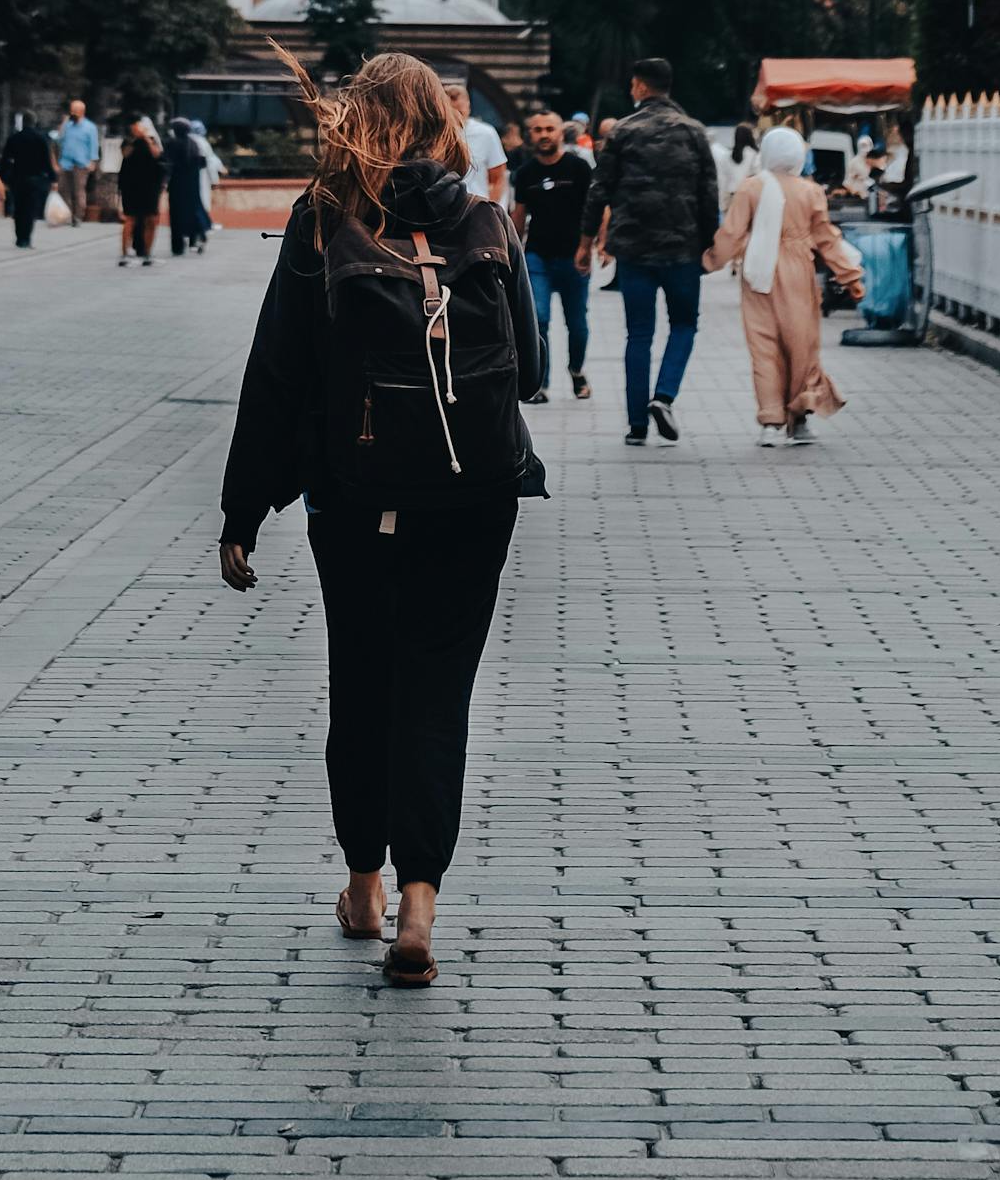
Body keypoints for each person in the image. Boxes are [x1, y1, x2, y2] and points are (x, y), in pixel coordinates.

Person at [217, 49, 542, 992]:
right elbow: (524, 365)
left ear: (353, 118)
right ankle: (421, 907)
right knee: (438, 694)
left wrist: (244, 509)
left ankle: (362, 885)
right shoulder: (483, 216)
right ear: (438, 124)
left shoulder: (321, 220)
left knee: (362, 682)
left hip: (353, 497)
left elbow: (276, 374)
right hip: (474, 497)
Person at [581, 53, 722, 447]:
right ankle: (664, 396)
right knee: (684, 324)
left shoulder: (623, 131)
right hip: (682, 249)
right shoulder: (694, 132)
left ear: (641, 86)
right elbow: (708, 194)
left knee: (638, 334)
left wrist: (586, 241)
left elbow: (599, 190)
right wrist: (709, 244)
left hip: (634, 250)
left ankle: (636, 425)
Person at [706, 126, 859, 445]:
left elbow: (732, 234)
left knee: (764, 347)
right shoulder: (811, 191)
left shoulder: (751, 188)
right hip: (798, 270)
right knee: (801, 343)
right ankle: (800, 416)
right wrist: (851, 278)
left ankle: (770, 420)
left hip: (759, 272)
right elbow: (827, 240)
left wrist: (708, 262)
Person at [505, 104, 593, 402]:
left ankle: (577, 370)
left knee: (577, 323)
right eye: (538, 130)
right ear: (530, 135)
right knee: (538, 318)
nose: (544, 134)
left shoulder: (579, 168)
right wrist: (509, 251)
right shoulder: (525, 173)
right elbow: (519, 216)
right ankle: (541, 383)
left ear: (560, 132)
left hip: (573, 256)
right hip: (537, 256)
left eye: (549, 129)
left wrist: (592, 245)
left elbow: (593, 210)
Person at [0, 110, 54, 248]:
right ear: (34, 122)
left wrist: (3, 177)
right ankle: (26, 238)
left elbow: (5, 159)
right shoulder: (41, 139)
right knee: (30, 209)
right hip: (35, 178)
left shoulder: (14, 138)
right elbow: (46, 160)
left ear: (23, 122)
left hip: (17, 178)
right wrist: (52, 177)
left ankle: (19, 237)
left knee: (18, 208)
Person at [116, 116, 164, 268]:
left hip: (150, 185)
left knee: (151, 219)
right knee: (130, 218)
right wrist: (135, 139)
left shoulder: (152, 141)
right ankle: (125, 253)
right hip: (131, 185)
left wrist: (147, 139)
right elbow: (125, 154)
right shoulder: (128, 142)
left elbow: (156, 154)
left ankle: (148, 253)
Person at [164, 113, 214, 258]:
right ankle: (195, 238)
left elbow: (165, 163)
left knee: (176, 216)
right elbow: (203, 162)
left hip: (176, 186)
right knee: (192, 212)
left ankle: (178, 246)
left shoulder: (172, 144)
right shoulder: (194, 144)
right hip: (192, 186)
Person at [54, 96, 101, 226]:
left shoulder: (90, 127)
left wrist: (93, 161)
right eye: (71, 110)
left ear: (82, 111)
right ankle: (66, 215)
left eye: (75, 110)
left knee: (78, 191)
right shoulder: (67, 126)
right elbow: (58, 140)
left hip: (81, 163)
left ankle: (78, 216)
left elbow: (94, 145)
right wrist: (64, 123)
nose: (72, 113)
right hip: (65, 162)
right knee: (63, 190)